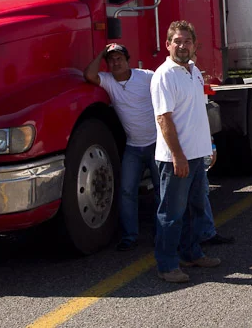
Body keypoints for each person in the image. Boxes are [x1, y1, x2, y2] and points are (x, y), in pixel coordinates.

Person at [152, 21, 221, 284]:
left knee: (194, 210)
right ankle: (167, 265)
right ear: (168, 44)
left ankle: (192, 253)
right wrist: (177, 156)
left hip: (197, 154)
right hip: (176, 159)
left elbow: (198, 114)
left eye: (187, 41)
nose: (182, 46)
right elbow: (164, 119)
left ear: (194, 45)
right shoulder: (164, 75)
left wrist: (209, 145)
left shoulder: (193, 71)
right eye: (176, 41)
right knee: (171, 215)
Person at [83, 43, 159, 252]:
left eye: (119, 59)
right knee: (126, 191)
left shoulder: (146, 76)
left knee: (162, 191)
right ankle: (130, 236)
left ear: (128, 61)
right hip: (133, 147)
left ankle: (161, 234)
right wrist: (101, 51)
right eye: (112, 60)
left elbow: (167, 90)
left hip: (156, 144)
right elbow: (89, 74)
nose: (116, 63)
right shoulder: (107, 81)